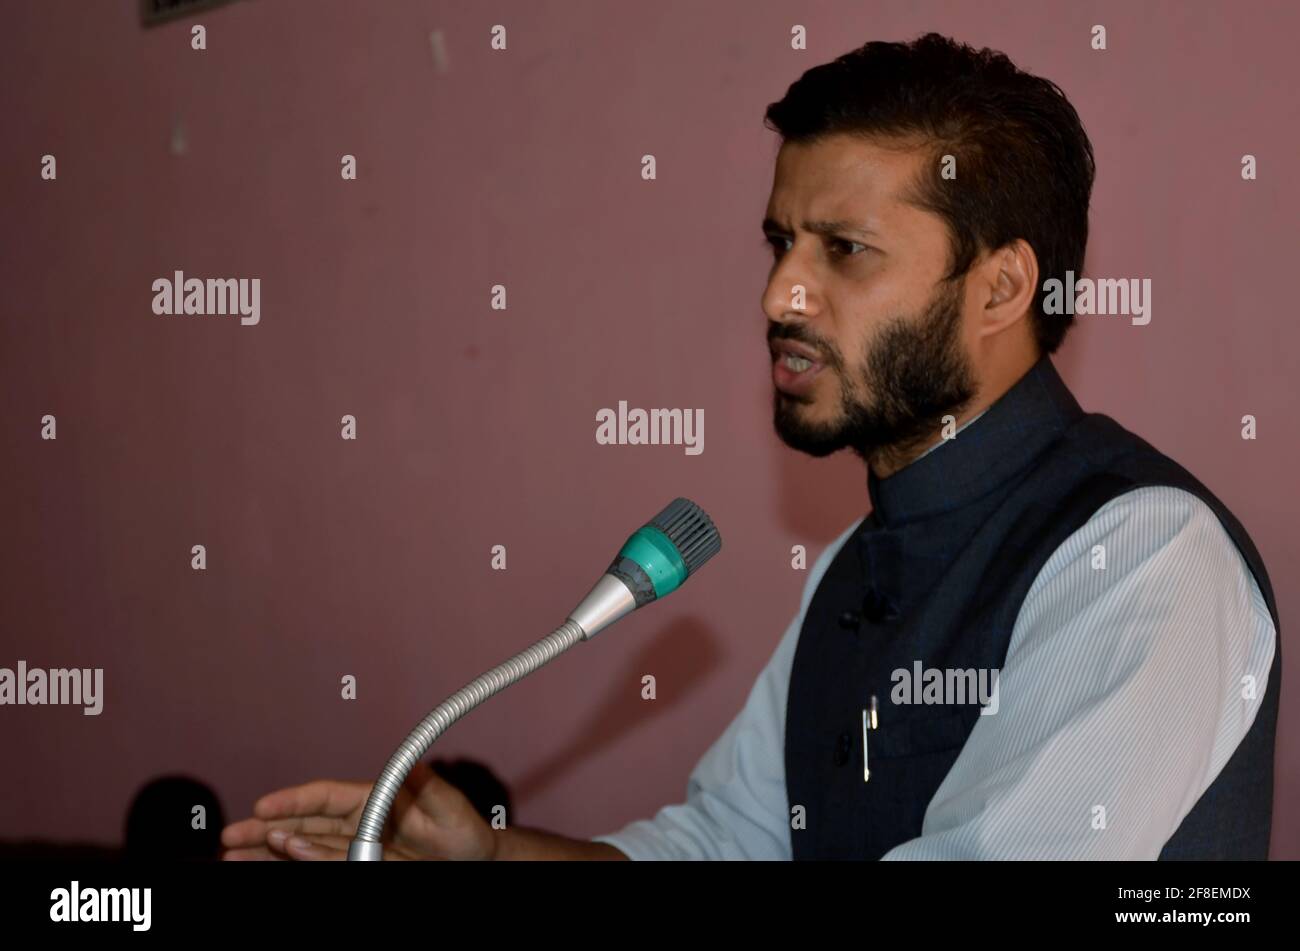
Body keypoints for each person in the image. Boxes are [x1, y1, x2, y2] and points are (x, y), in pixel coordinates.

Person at [221, 33, 1279, 862]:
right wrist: (488, 853)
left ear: (999, 287)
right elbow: (727, 845)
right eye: (781, 244)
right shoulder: (849, 573)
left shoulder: (1141, 556)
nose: (782, 294)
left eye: (845, 252)